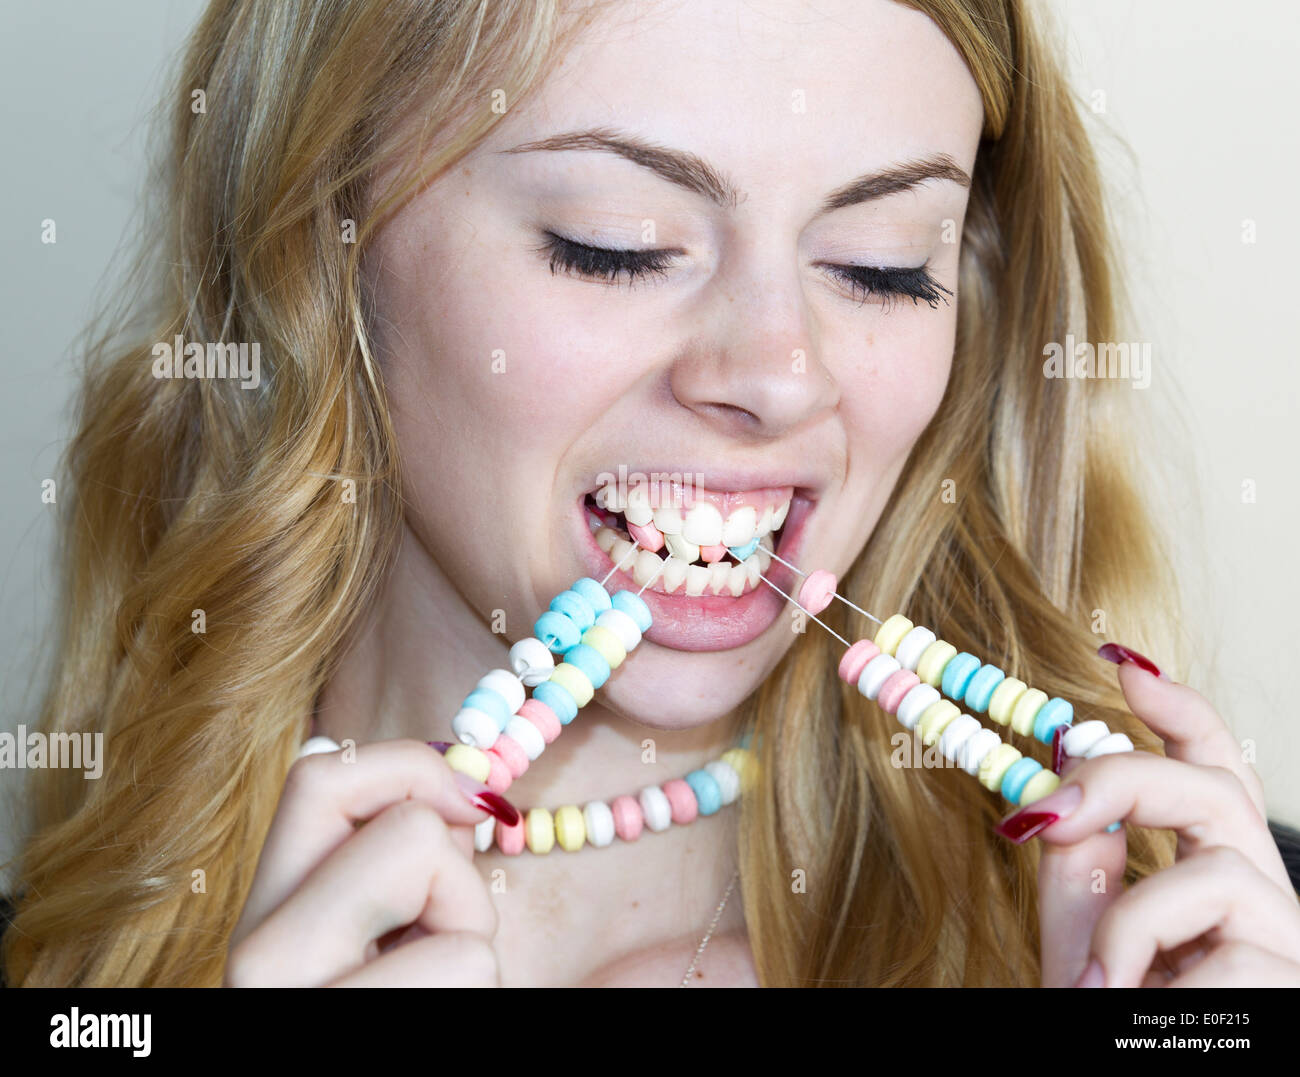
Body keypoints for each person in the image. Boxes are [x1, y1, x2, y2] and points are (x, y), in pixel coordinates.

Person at [4, 0, 1299, 988]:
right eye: (615, 244)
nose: (779, 378)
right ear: (325, 257)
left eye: (883, 266)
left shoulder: (1216, 950)